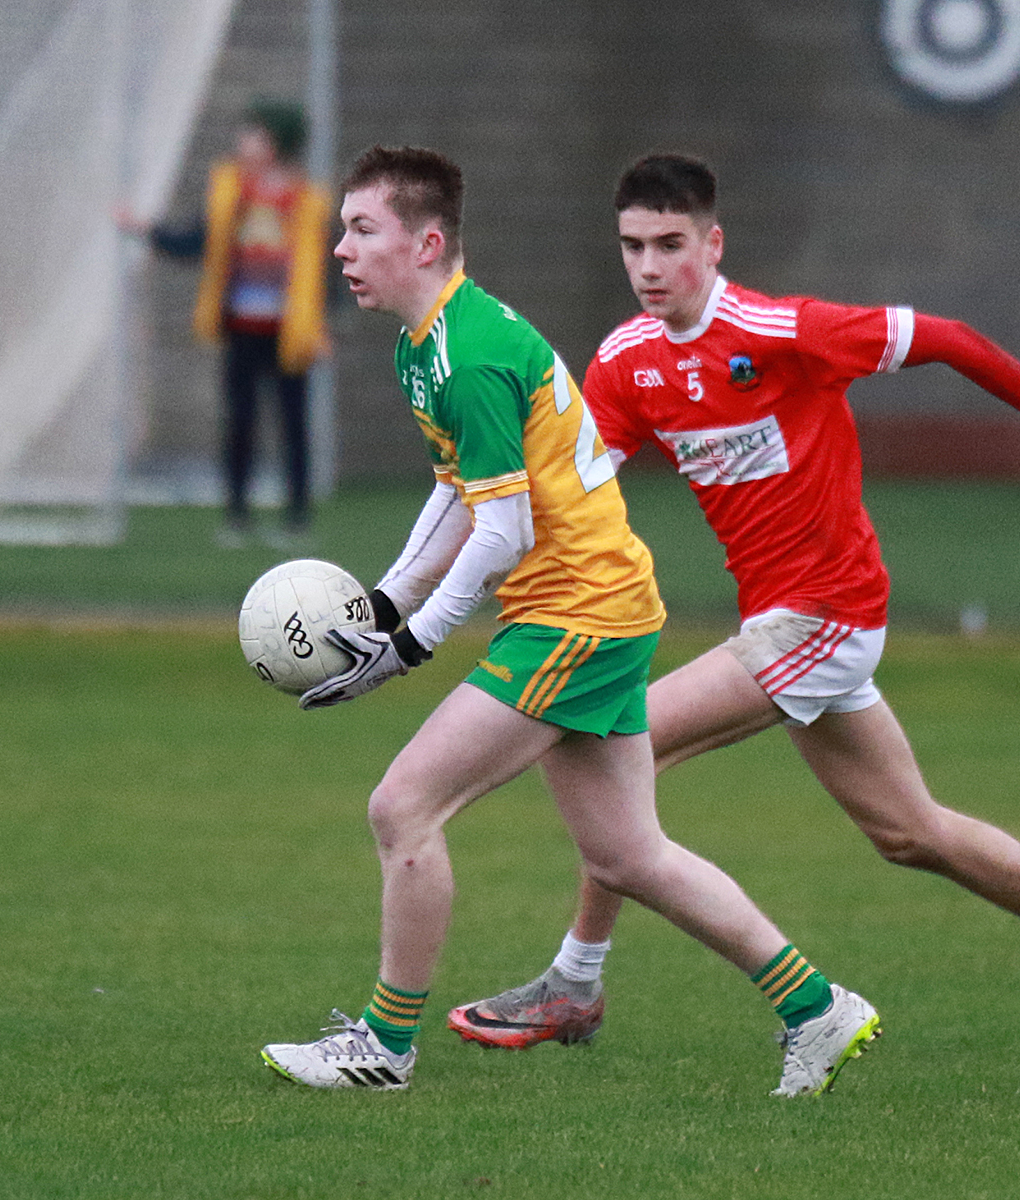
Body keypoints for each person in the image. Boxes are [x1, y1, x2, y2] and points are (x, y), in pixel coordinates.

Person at [447, 154, 1020, 1063]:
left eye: (670, 244)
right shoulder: (627, 364)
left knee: (611, 742)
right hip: (778, 626)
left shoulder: (786, 332)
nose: (649, 266)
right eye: (633, 246)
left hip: (828, 615)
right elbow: (575, 487)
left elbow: (949, 337)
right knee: (910, 833)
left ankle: (574, 985)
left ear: (712, 244)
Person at [258, 145, 879, 1098]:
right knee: (629, 854)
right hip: (602, 607)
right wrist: (385, 604)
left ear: (426, 243)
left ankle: (382, 1051)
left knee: (404, 805)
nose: (341, 247)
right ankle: (818, 1009)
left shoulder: (465, 356)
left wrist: (409, 648)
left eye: (361, 228)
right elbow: (457, 493)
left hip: (576, 617)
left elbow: (501, 529)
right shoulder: (431, 341)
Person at [117, 98, 329, 548]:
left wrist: (324, 325)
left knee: (294, 422)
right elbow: (199, 241)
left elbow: (322, 269)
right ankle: (237, 514)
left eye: (254, 134)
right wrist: (146, 230)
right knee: (239, 420)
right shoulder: (230, 191)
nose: (244, 142)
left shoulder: (307, 199)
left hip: (289, 333)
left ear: (275, 143)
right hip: (242, 328)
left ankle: (297, 517)